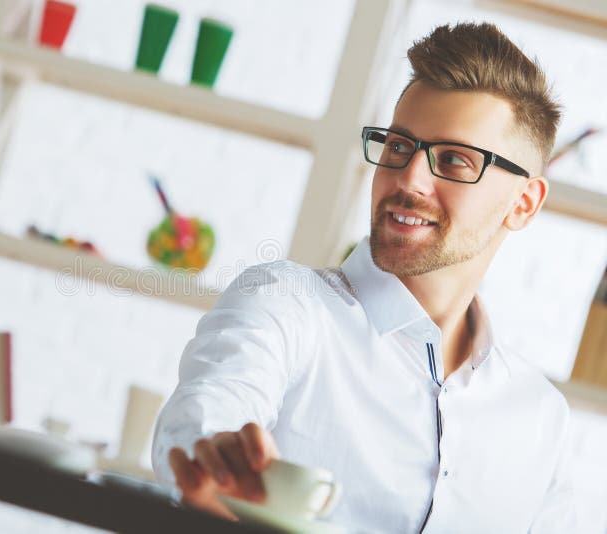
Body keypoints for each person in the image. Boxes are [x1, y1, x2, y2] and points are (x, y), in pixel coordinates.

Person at [151, 22, 578, 533]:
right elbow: (208, 409)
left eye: (454, 160)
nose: (408, 179)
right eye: (399, 146)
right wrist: (213, 454)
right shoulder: (286, 306)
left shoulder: (539, 417)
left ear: (523, 203)